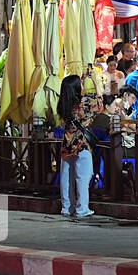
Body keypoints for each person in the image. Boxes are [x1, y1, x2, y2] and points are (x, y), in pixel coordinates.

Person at [56, 74, 101, 219]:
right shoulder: (85, 103)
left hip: (67, 143)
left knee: (66, 178)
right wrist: (93, 80)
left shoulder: (63, 104)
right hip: (81, 144)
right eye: (80, 84)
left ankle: (66, 208)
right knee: (83, 177)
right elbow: (100, 103)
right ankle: (82, 209)